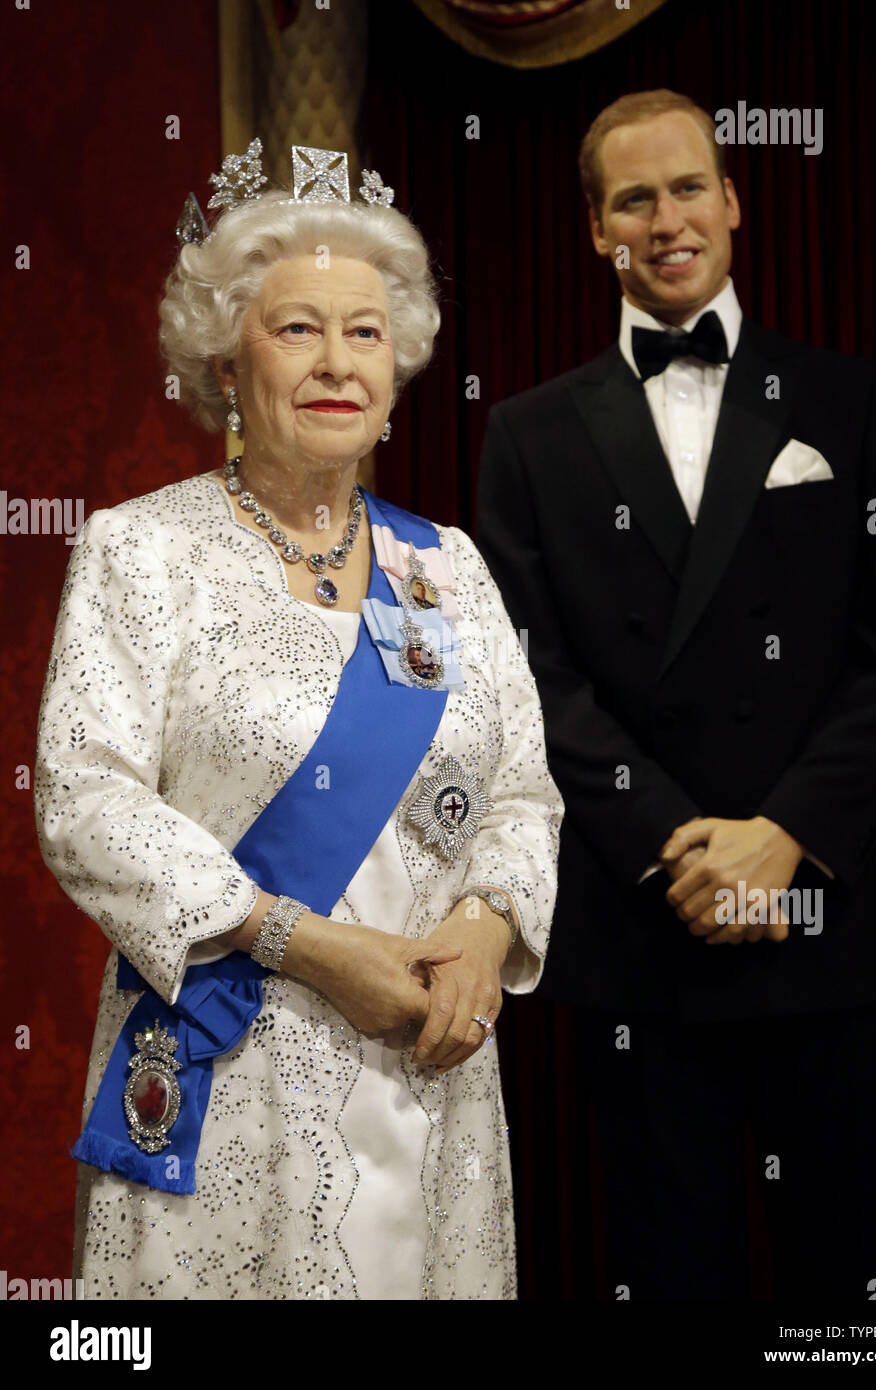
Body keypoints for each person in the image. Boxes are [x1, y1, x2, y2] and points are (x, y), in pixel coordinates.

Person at [34, 141, 562, 1301]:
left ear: (399, 359)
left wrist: (482, 930)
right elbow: (83, 798)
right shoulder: (144, 548)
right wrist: (305, 943)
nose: (336, 364)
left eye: (364, 332)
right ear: (228, 358)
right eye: (297, 329)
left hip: (430, 1062)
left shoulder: (449, 567)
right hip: (234, 1065)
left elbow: (521, 790)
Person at [476, 90, 876, 1299]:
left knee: (845, 1287)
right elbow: (531, 673)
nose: (667, 217)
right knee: (659, 1272)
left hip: (827, 916)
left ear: (732, 203)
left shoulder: (856, 400)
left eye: (689, 187)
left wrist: (785, 835)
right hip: (643, 927)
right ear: (595, 229)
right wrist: (675, 846)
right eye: (634, 198)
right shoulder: (525, 436)